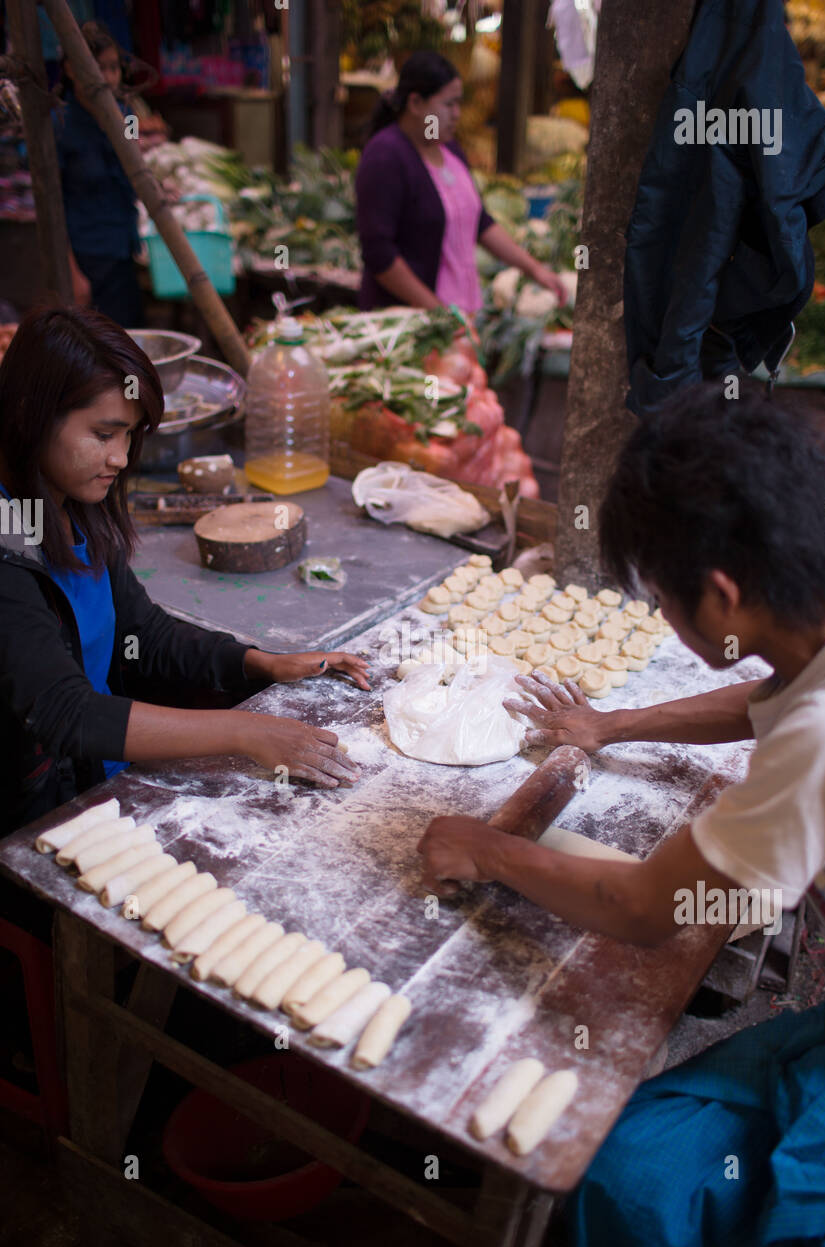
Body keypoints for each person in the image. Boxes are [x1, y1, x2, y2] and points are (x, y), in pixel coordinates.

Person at [417, 383, 825, 1247]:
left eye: (662, 598)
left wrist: (484, 847)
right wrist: (610, 726)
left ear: (725, 593)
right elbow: (766, 696)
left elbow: (644, 908)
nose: (661, 617)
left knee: (640, 1189)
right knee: (663, 1145)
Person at [0, 307, 369, 856]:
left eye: (129, 436)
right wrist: (245, 731)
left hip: (96, 787)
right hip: (35, 823)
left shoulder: (69, 506)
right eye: (103, 434)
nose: (121, 458)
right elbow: (64, 712)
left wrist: (257, 661)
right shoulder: (7, 545)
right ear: (32, 414)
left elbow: (142, 632)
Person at [355, 50, 565, 315]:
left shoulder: (449, 149)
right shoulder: (385, 156)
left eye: (459, 104)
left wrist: (534, 270)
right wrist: (437, 312)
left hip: (460, 315)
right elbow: (378, 253)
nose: (457, 114)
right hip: (411, 324)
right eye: (448, 104)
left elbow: (480, 222)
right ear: (416, 103)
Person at [53, 21, 145, 325]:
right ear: (70, 69)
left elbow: (136, 159)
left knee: (127, 338)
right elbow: (53, 205)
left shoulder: (126, 114)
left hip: (123, 249)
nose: (107, 78)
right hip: (86, 257)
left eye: (113, 68)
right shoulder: (59, 124)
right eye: (97, 68)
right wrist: (73, 274)